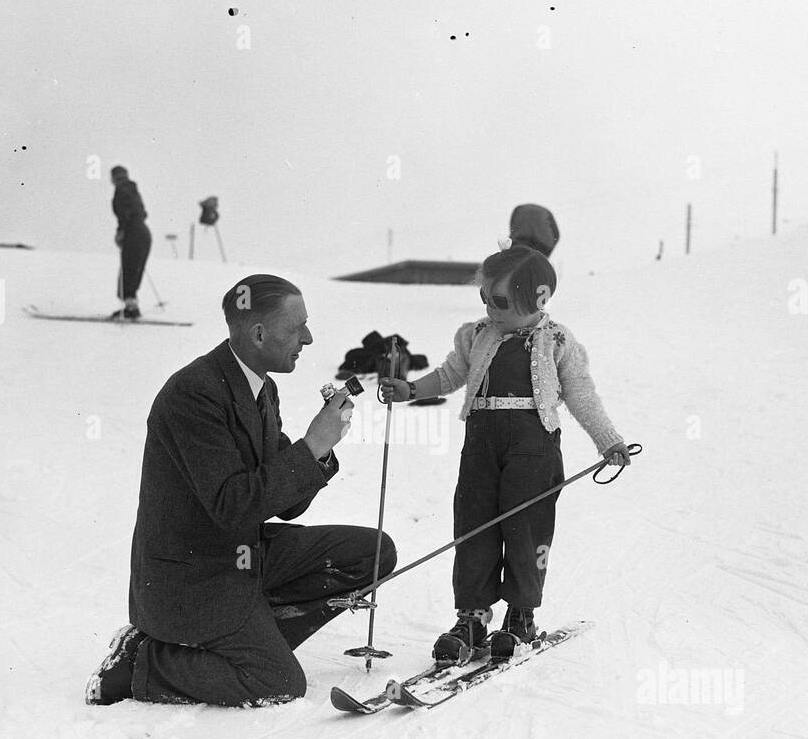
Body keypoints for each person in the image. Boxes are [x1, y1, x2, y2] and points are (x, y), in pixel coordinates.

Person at [86, 273, 398, 708]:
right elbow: (233, 505)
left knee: (372, 551)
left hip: (239, 557)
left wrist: (319, 453)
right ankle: (143, 660)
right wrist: (312, 446)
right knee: (276, 681)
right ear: (258, 333)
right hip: (192, 578)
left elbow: (286, 505)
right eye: (296, 328)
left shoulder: (262, 388)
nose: (307, 337)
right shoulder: (193, 394)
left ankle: (244, 637)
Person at [379, 246, 631, 664]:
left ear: (539, 298)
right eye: (484, 297)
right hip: (481, 444)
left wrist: (608, 440)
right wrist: (410, 390)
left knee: (525, 528)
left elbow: (581, 393)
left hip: (533, 447)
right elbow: (449, 375)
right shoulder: (476, 335)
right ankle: (473, 617)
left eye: (499, 301)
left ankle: (521, 614)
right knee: (475, 524)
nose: (489, 308)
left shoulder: (557, 341)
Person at [110, 165, 151, 319]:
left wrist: (121, 231)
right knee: (134, 270)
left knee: (128, 270)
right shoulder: (133, 191)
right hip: (143, 233)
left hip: (133, 234)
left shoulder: (121, 190)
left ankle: (130, 308)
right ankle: (131, 306)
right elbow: (142, 213)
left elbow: (125, 214)